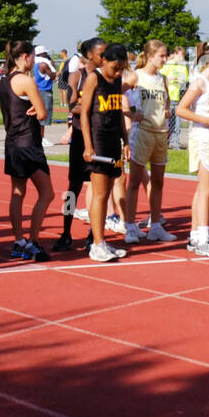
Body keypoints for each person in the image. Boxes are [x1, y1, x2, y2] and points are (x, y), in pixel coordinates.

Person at [0, 40, 54, 261]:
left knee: (17, 193)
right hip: (28, 143)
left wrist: (31, 106)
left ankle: (19, 241)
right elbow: (42, 114)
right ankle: (33, 241)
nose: (34, 60)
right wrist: (35, 106)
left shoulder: (3, 81)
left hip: (12, 142)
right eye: (33, 56)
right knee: (47, 193)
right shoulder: (26, 81)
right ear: (25, 57)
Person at [78, 42, 130, 262]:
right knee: (99, 195)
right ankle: (97, 244)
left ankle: (101, 241)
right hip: (98, 141)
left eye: (122, 69)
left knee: (107, 192)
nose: (118, 73)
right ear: (104, 61)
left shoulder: (117, 80)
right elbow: (84, 113)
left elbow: (118, 113)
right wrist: (88, 145)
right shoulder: (94, 79)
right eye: (115, 68)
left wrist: (125, 141)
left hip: (113, 141)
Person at [124, 40, 177, 245]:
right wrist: (129, 114)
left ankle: (155, 226)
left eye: (166, 55)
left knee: (158, 182)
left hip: (160, 133)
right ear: (149, 56)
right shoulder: (136, 76)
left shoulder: (163, 78)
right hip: (142, 133)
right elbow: (117, 94)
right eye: (161, 55)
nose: (165, 59)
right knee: (135, 182)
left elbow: (166, 100)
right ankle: (130, 226)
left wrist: (166, 110)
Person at [176, 52, 209, 257]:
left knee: (202, 189)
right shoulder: (200, 82)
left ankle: (195, 235)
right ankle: (203, 239)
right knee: (206, 190)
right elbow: (181, 109)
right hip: (204, 139)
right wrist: (208, 122)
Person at [55, 38, 104, 251]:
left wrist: (88, 105)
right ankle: (65, 232)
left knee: (98, 188)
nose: (105, 58)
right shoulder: (77, 76)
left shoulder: (105, 77)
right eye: (101, 54)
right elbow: (73, 105)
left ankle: (94, 234)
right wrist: (92, 106)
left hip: (99, 137)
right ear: (89, 56)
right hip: (79, 137)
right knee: (73, 188)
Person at [33, 44, 57, 147]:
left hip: (38, 90)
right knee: (43, 115)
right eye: (45, 53)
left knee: (39, 114)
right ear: (42, 54)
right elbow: (53, 76)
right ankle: (41, 138)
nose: (47, 55)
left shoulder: (35, 63)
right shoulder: (43, 64)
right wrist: (53, 65)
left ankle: (38, 138)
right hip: (45, 90)